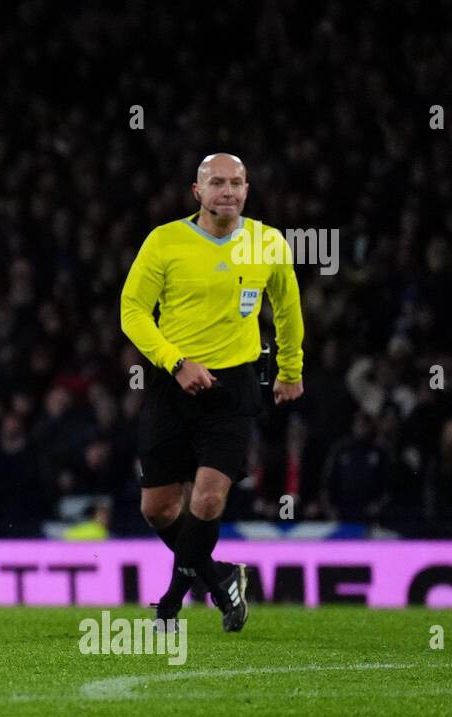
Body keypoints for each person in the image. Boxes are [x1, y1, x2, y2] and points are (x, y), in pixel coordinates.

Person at [120, 153, 305, 632]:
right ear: (196, 192)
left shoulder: (267, 243)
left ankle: (171, 602)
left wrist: (291, 368)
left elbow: (287, 308)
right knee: (157, 508)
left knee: (205, 501)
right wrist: (176, 363)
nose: (228, 191)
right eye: (217, 183)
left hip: (234, 387)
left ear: (247, 189)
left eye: (237, 183)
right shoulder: (166, 241)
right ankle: (223, 579)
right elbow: (133, 310)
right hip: (172, 383)